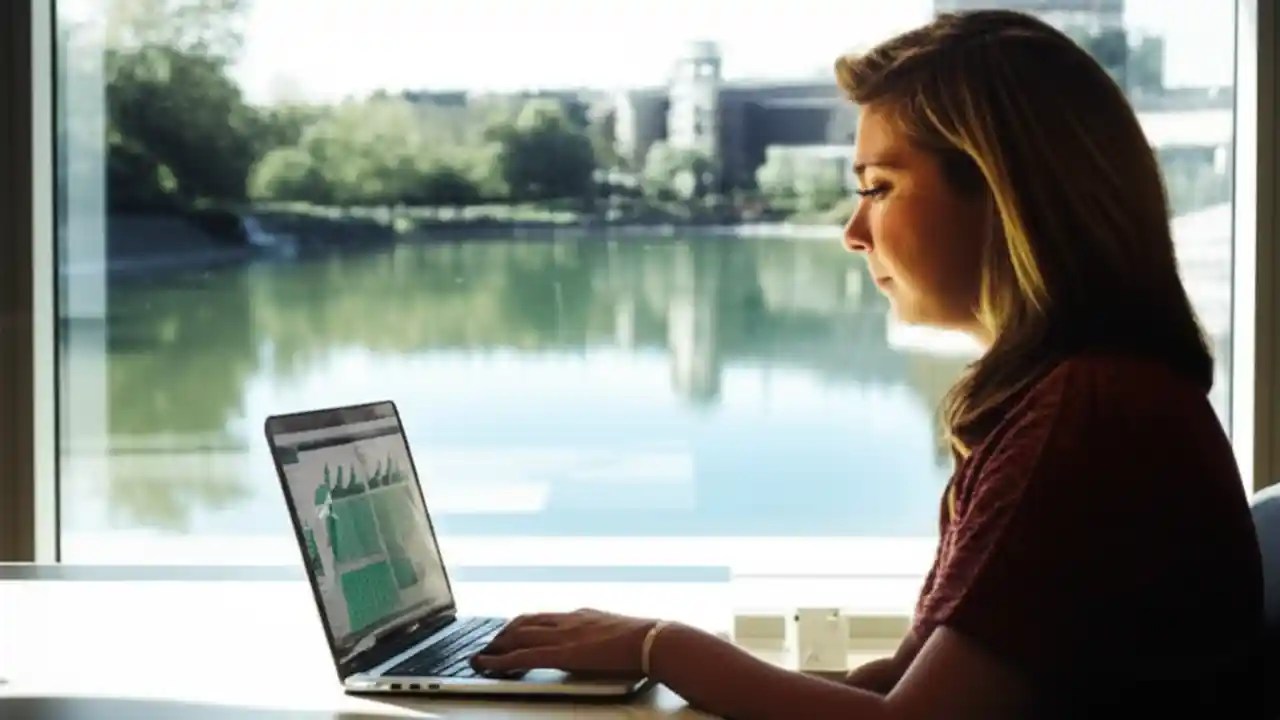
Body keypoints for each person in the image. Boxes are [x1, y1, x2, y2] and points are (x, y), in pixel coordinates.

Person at [471, 9, 1265, 718]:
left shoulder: (1087, 417)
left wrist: (658, 647)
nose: (853, 233)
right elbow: (901, 684)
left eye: (879, 187)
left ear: (1004, 193)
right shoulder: (1086, 397)